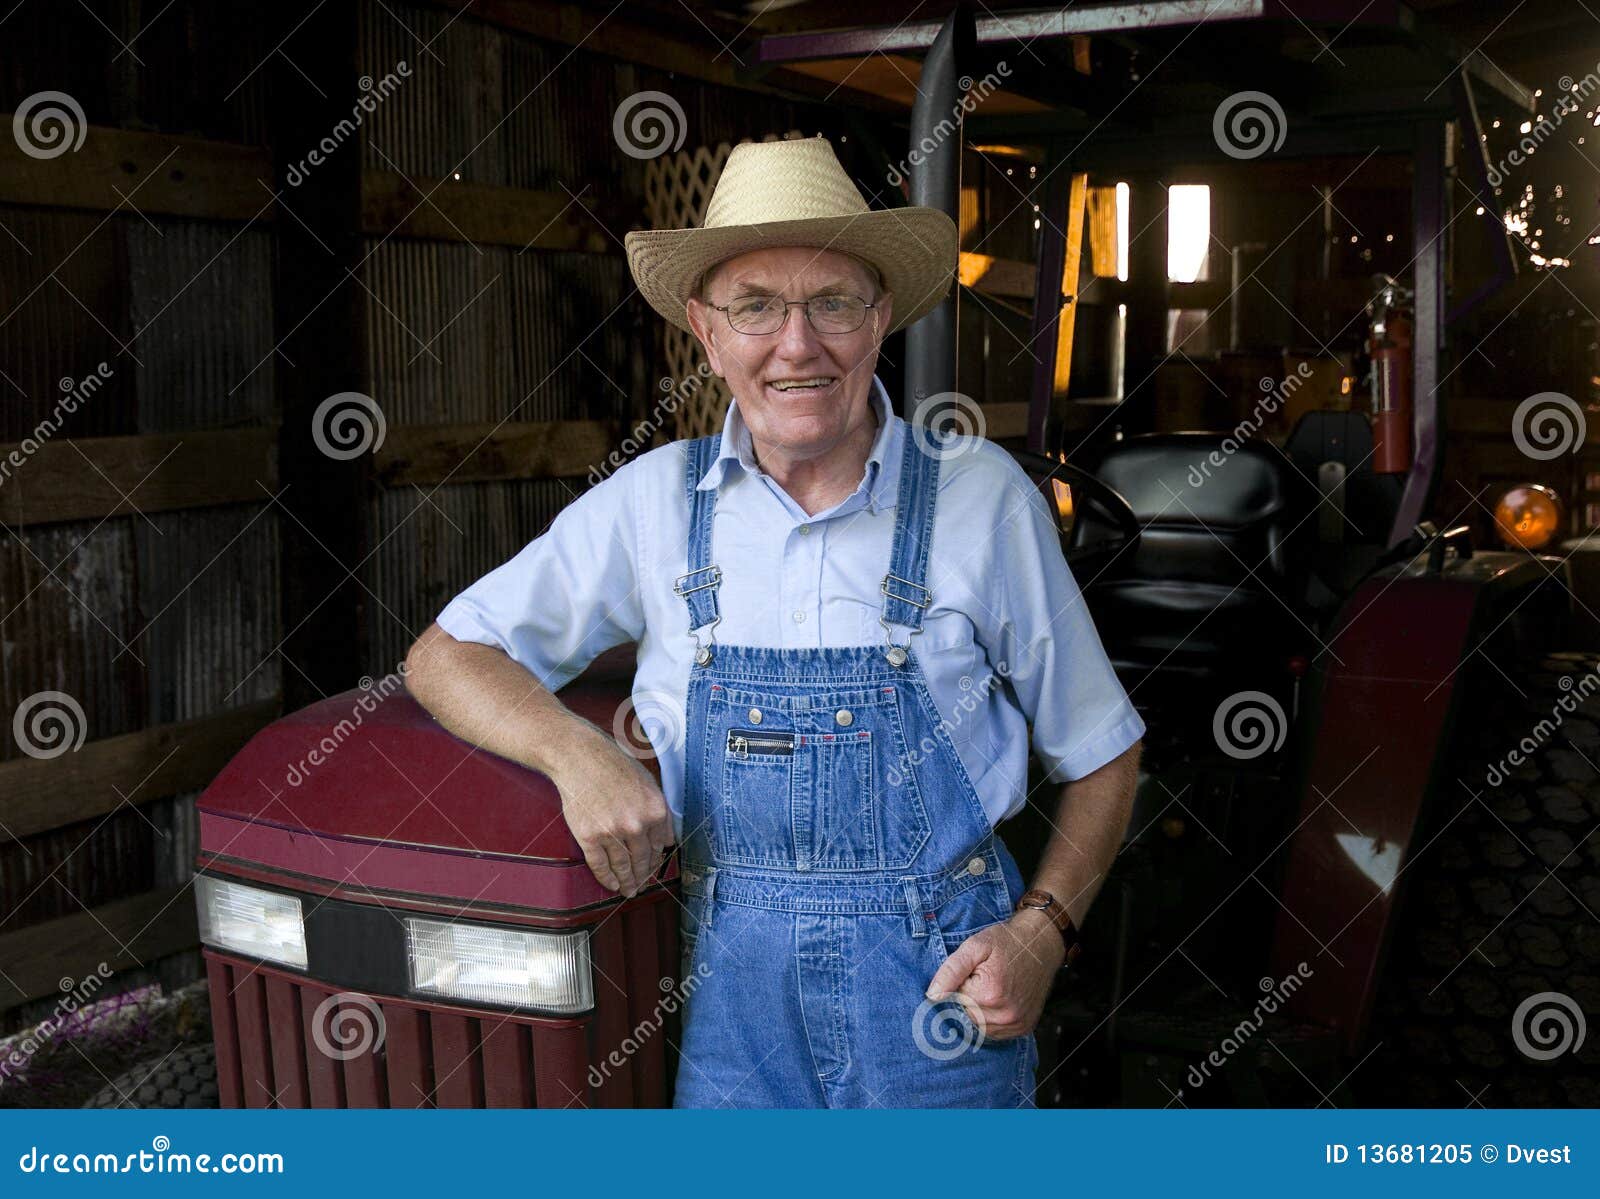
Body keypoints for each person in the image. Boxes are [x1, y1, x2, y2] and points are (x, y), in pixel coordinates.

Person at [404, 135, 1143, 1108]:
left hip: (941, 997)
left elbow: (1104, 751)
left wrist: (1041, 932)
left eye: (831, 302)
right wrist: (576, 753)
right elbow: (443, 654)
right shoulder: (651, 505)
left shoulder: (980, 498)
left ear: (878, 319)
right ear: (707, 333)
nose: (797, 345)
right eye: (755, 306)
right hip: (730, 1009)